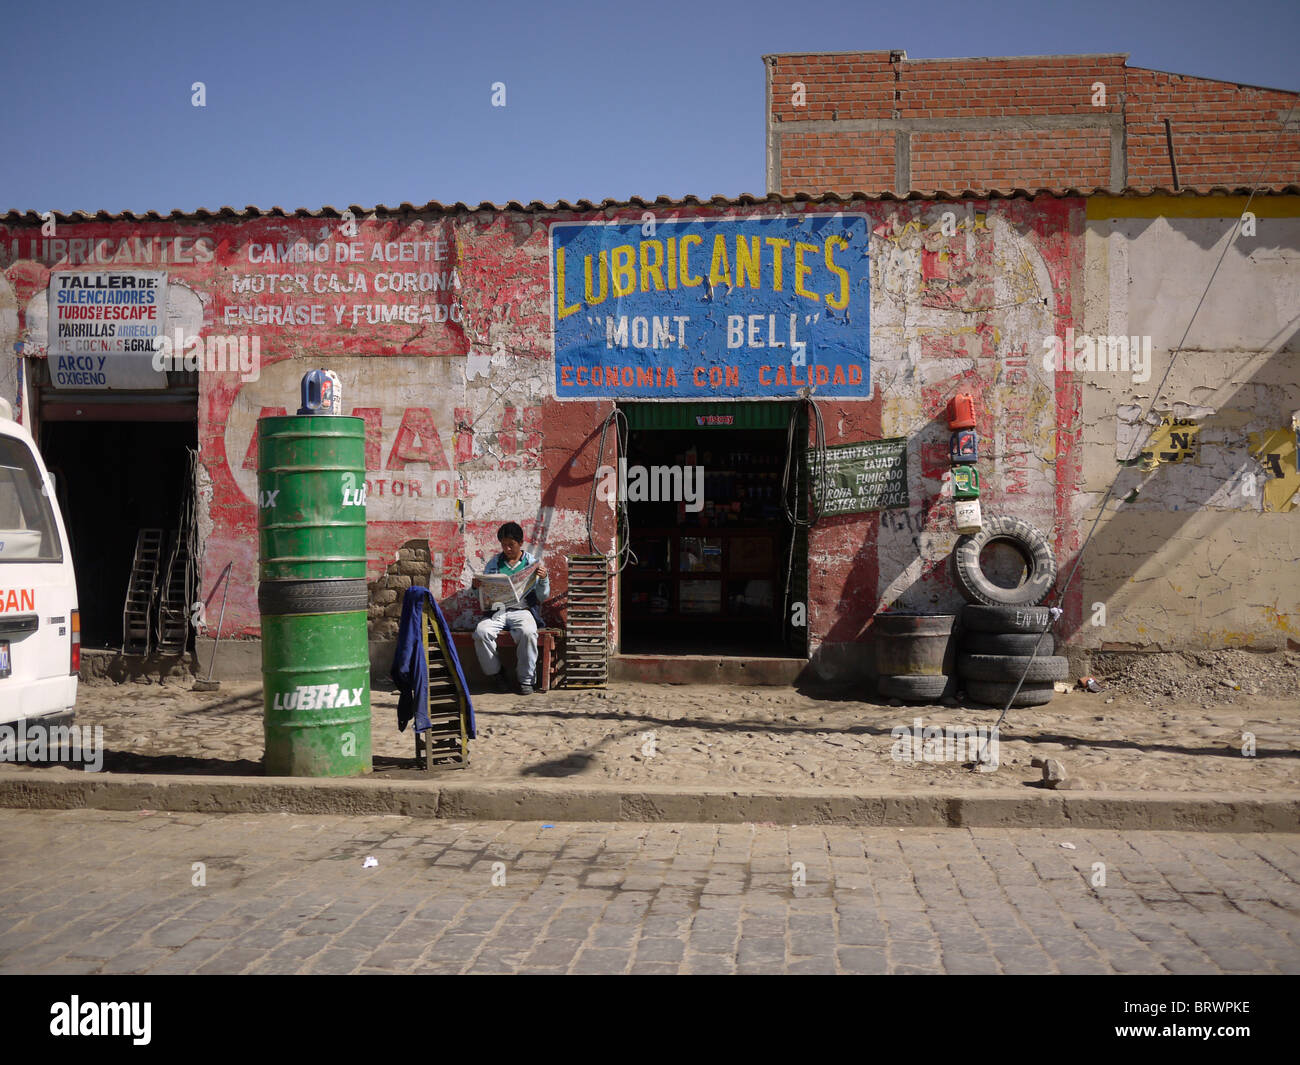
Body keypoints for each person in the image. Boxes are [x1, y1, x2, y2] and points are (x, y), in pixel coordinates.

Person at [471, 522, 551, 695]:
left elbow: (543, 596)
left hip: (522, 611)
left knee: (528, 632)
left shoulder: (532, 563)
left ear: (520, 543)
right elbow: (485, 591)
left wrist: (544, 580)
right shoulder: (494, 563)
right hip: (498, 611)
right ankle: (497, 674)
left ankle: (526, 680)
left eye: (511, 545)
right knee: (481, 632)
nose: (507, 549)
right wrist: (477, 586)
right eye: (503, 545)